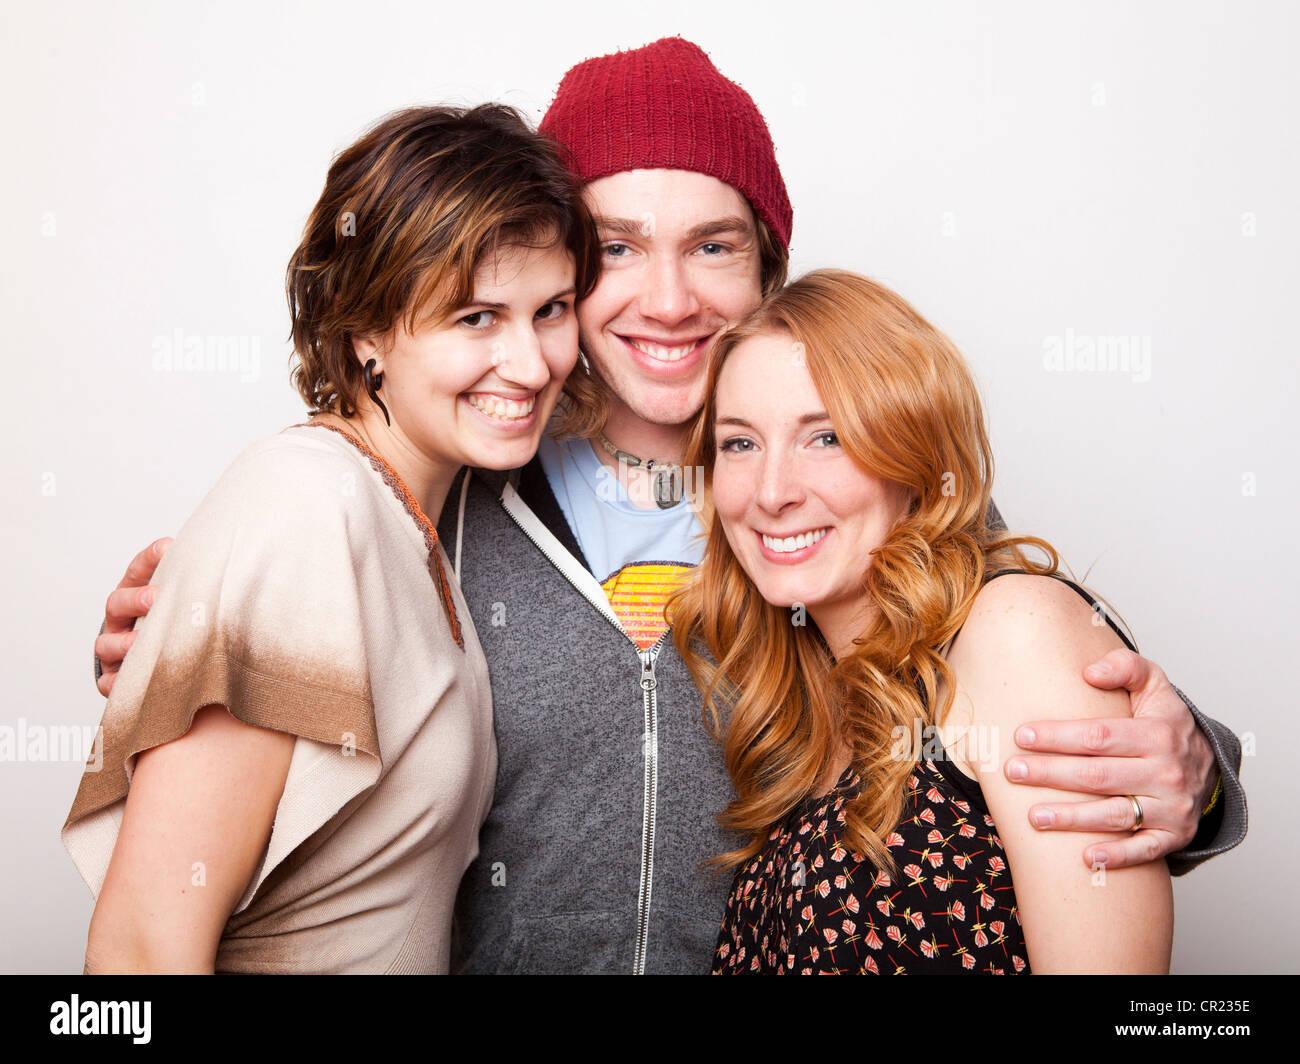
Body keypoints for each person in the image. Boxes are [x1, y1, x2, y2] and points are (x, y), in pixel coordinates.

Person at [92, 38, 1245, 974]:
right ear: (551, 265)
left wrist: (1200, 769)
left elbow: (1016, 642)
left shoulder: (823, 493)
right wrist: (201, 630)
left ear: (767, 274)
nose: (669, 296)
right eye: (616, 248)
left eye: (713, 244)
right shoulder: (444, 491)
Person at [63, 103, 599, 973]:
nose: (532, 364)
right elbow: (141, 951)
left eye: (552, 310)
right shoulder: (309, 502)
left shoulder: (419, 524)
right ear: (367, 334)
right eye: (476, 318)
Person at [669, 269, 1173, 973]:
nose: (773, 492)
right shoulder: (812, 702)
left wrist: (1208, 786)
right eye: (740, 444)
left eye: (828, 437)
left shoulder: (1015, 632)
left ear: (912, 456)